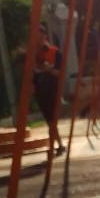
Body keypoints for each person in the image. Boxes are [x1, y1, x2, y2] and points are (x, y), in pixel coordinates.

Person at [33, 24, 65, 155]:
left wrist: (48, 69)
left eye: (40, 36)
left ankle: (56, 146)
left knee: (52, 121)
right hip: (40, 91)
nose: (37, 39)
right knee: (50, 121)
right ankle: (58, 145)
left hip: (52, 89)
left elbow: (60, 73)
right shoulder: (32, 54)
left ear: (45, 36)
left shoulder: (54, 52)